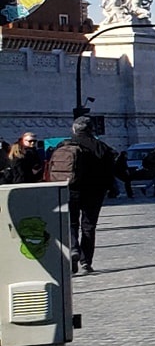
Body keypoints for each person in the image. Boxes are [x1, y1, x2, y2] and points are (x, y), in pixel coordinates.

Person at [45, 117, 120, 273]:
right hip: (94, 192)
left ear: (74, 129)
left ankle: (73, 249)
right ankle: (86, 262)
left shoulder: (64, 145)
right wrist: (112, 188)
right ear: (91, 129)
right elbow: (110, 171)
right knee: (89, 227)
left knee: (71, 224)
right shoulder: (100, 147)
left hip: (69, 189)